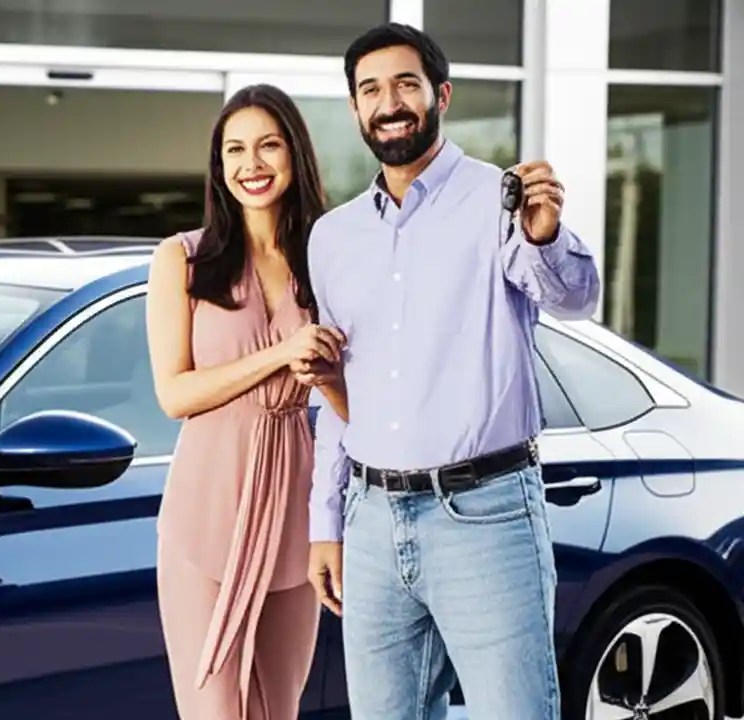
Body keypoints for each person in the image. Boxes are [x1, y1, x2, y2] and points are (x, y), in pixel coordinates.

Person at [297, 23, 601, 720]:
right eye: (370, 89)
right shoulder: (334, 238)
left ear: (441, 95)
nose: (389, 102)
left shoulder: (500, 200)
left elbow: (574, 299)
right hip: (372, 521)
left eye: (406, 84)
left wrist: (546, 233)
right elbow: (338, 395)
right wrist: (326, 521)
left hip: (487, 517)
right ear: (354, 109)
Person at [145, 83, 348, 719]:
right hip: (205, 512)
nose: (250, 164)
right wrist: (281, 354)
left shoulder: (332, 257)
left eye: (267, 145)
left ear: (295, 154)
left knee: (278, 710)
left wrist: (327, 378)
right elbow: (174, 395)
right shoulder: (181, 259)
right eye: (234, 150)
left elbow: (357, 409)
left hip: (297, 511)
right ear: (218, 164)